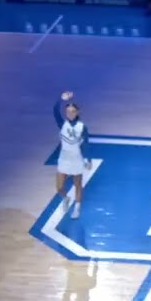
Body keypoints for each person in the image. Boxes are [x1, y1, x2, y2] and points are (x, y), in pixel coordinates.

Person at [53, 91, 91, 220]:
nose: (70, 114)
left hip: (76, 159)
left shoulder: (82, 127)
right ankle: (66, 198)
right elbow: (55, 111)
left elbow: (86, 144)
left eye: (73, 111)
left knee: (78, 185)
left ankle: (77, 208)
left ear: (77, 112)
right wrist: (61, 99)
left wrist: (88, 159)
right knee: (59, 187)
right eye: (68, 112)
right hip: (64, 159)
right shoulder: (62, 124)